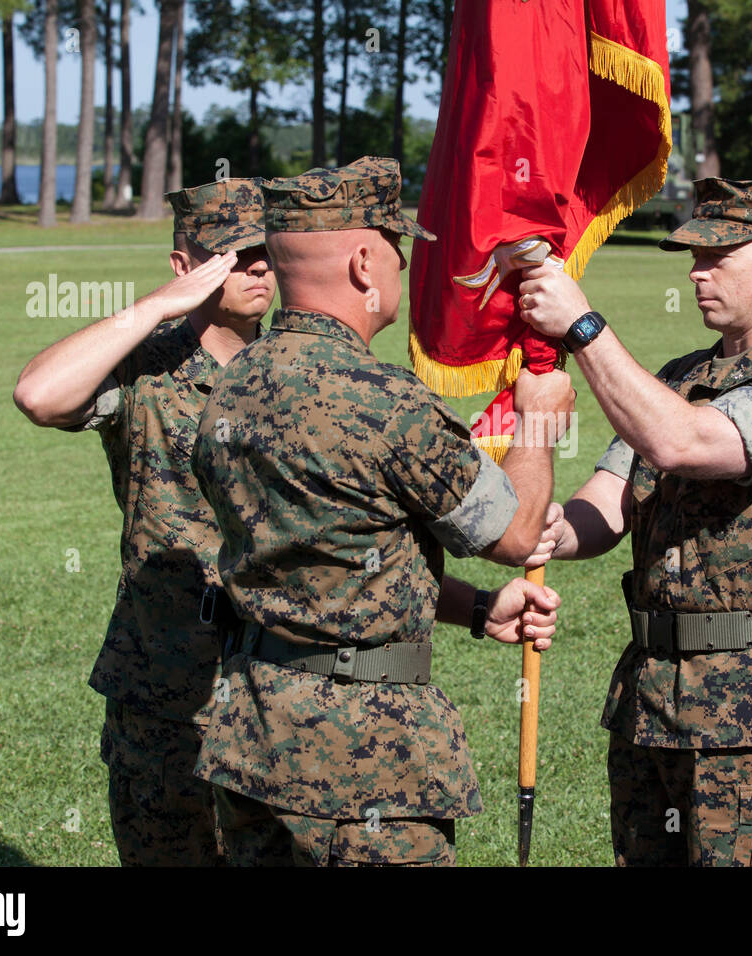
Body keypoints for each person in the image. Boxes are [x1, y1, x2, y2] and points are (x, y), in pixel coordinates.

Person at [189, 157, 573, 867]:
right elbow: (515, 531)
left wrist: (476, 607)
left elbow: (325, 561)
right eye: (398, 249)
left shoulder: (229, 386)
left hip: (252, 730)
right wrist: (541, 421)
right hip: (367, 757)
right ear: (364, 263)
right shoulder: (386, 402)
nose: (404, 266)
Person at [517, 178, 752, 866]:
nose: (697, 274)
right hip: (653, 699)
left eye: (717, 257)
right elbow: (608, 505)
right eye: (692, 258)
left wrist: (583, 328)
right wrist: (537, 528)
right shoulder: (677, 378)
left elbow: (684, 443)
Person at [11, 178, 275, 865]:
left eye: (264, 252)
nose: (256, 268)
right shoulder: (145, 371)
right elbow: (39, 395)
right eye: (232, 254)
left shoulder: (296, 370)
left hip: (277, 687)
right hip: (164, 686)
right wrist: (160, 309)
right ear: (185, 265)